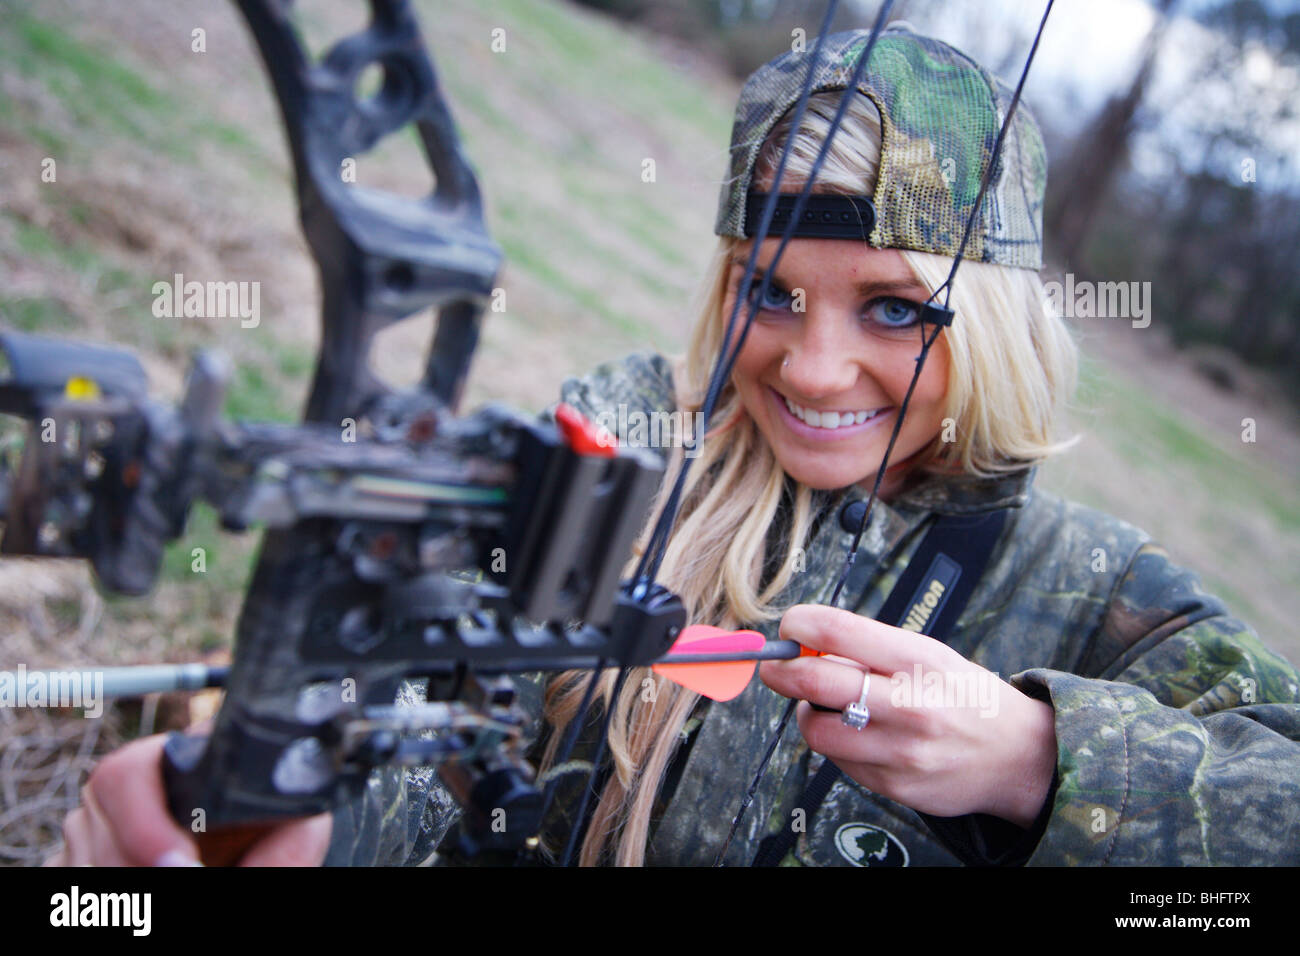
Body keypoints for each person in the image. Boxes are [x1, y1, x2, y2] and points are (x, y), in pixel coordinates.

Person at [49, 24, 1300, 868]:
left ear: (996, 321)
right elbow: (433, 708)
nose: (811, 370)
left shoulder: (1091, 591)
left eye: (895, 308)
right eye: (770, 292)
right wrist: (296, 807)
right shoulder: (629, 438)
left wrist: (1040, 757)